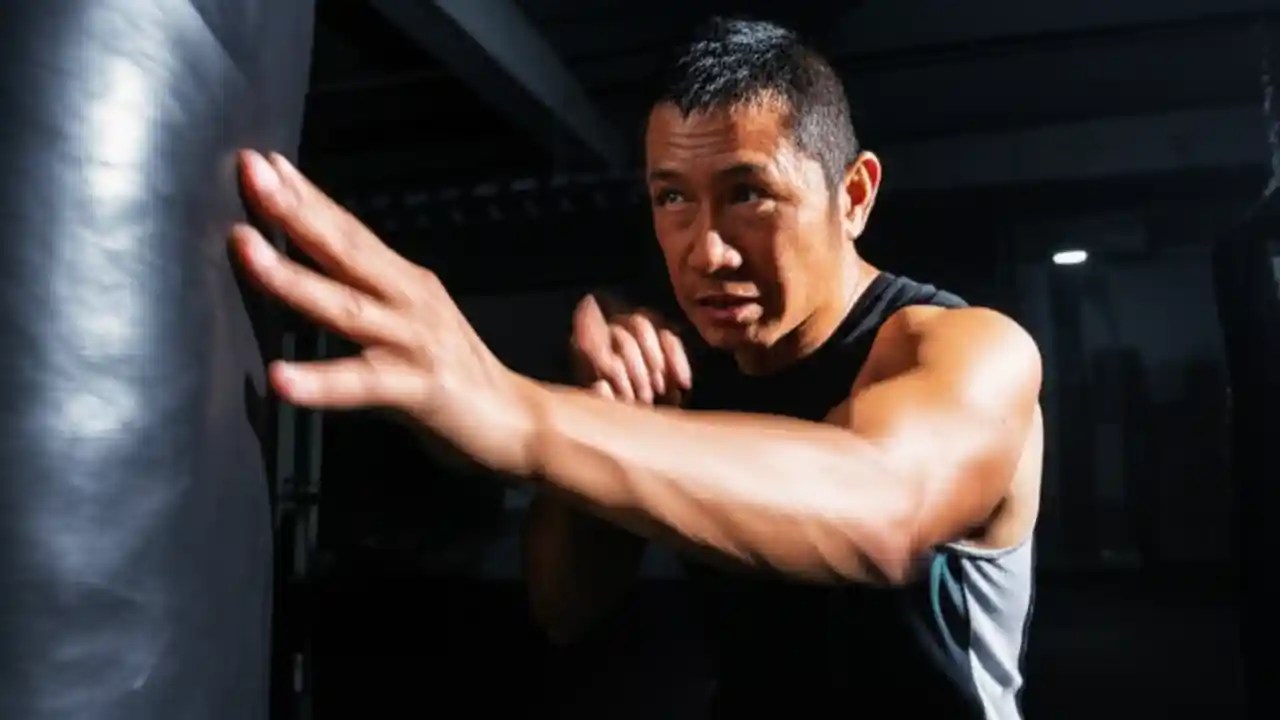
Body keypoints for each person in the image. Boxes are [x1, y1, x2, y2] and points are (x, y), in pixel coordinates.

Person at [229, 17, 1043, 719]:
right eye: (672, 199)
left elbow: (883, 512)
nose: (706, 251)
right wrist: (607, 406)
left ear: (854, 195)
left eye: (748, 193)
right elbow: (566, 607)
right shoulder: (681, 356)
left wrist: (517, 410)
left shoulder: (968, 351)